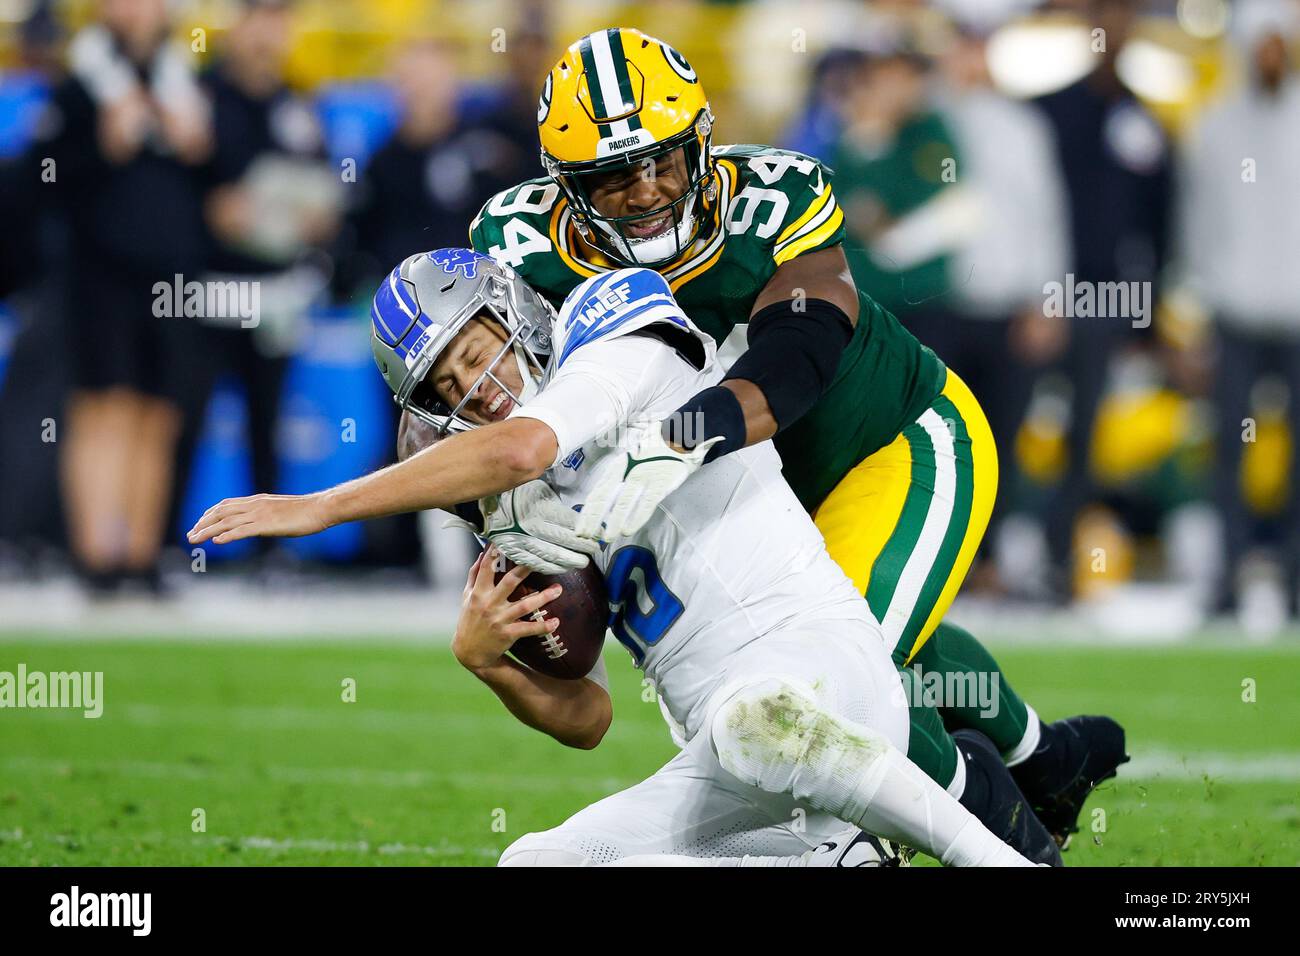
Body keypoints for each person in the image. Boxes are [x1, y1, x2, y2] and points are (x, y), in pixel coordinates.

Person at [469, 29, 1125, 846]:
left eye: (662, 163)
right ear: (565, 189)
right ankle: (1043, 758)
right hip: (754, 487)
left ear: (701, 147)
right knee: (866, 639)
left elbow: (800, 355)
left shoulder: (770, 197)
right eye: (610, 179)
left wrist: (682, 433)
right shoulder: (521, 248)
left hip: (890, 445)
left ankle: (1007, 828)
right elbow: (466, 382)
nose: (642, 192)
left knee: (833, 685)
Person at [190, 247, 1048, 867]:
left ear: (514, 310)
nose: (477, 386)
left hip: (825, 667)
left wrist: (317, 506)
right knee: (536, 864)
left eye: (478, 350)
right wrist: (488, 663)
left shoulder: (615, 335)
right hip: (730, 758)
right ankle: (833, 860)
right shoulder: (506, 511)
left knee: (754, 721)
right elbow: (590, 720)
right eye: (448, 386)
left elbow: (528, 445)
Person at [36, 0, 211, 594]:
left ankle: (141, 555)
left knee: (158, 414)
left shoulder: (183, 79)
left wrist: (199, 144)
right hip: (100, 274)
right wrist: (102, 143)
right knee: (101, 408)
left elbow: (213, 181)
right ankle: (96, 557)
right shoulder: (82, 83)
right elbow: (44, 176)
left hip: (172, 273)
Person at [1178, 0, 1300, 619]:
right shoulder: (1217, 125)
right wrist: (1197, 306)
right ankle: (1228, 578)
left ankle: (1295, 580)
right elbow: (1196, 227)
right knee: (1229, 453)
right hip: (1236, 312)